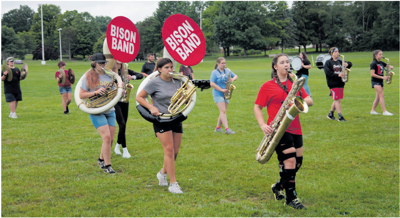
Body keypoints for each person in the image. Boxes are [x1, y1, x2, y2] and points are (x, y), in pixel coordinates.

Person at [254, 53, 313, 210]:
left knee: (297, 163)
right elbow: (257, 107)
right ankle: (291, 197)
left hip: (295, 127)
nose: (286, 64)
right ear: (275, 67)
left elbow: (310, 101)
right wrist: (262, 125)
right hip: (278, 129)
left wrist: (296, 100)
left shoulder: (295, 83)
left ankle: (278, 186)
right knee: (290, 161)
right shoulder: (267, 86)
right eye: (282, 62)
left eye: (288, 62)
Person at [136, 58, 185, 194]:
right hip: (161, 119)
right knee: (168, 150)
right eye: (166, 68)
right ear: (159, 69)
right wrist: (151, 107)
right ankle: (173, 183)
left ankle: (162, 173)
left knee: (175, 152)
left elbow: (183, 96)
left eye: (171, 67)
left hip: (176, 117)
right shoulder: (154, 82)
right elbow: (139, 97)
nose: (170, 70)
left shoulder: (178, 80)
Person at [79, 53, 122, 174]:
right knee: (107, 138)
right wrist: (96, 92)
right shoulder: (89, 76)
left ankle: (101, 159)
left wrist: (120, 90)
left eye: (104, 63)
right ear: (94, 63)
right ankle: (107, 165)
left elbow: (113, 92)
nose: (102, 65)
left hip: (109, 110)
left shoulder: (110, 76)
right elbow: (81, 95)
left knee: (111, 139)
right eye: (100, 63)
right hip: (96, 110)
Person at [112, 60, 144, 158]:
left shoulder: (125, 69)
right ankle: (125, 150)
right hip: (115, 101)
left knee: (124, 125)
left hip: (125, 100)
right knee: (121, 124)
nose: (119, 64)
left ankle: (117, 146)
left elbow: (140, 75)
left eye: (120, 63)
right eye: (117, 62)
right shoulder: (111, 72)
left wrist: (132, 77)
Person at [210, 57, 238, 135]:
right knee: (223, 111)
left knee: (223, 111)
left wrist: (232, 79)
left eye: (225, 63)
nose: (224, 64)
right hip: (218, 93)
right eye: (222, 63)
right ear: (218, 63)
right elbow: (212, 83)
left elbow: (236, 76)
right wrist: (221, 90)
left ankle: (218, 128)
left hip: (226, 93)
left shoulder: (227, 70)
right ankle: (227, 129)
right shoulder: (214, 72)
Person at [324, 47, 351, 121]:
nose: (337, 53)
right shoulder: (328, 62)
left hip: (341, 83)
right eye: (335, 52)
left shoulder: (340, 61)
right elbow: (328, 73)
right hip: (333, 83)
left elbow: (350, 64)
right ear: (331, 53)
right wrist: (337, 75)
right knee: (337, 100)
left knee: (337, 99)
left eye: (338, 51)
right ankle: (340, 116)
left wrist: (347, 64)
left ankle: (330, 114)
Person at [370, 50, 394, 116]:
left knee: (378, 96)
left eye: (381, 54)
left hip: (380, 81)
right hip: (375, 81)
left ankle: (373, 110)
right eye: (380, 54)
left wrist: (391, 67)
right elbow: (372, 74)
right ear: (376, 55)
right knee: (381, 95)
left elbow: (388, 66)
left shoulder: (381, 63)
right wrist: (383, 77)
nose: (381, 56)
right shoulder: (373, 63)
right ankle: (384, 111)